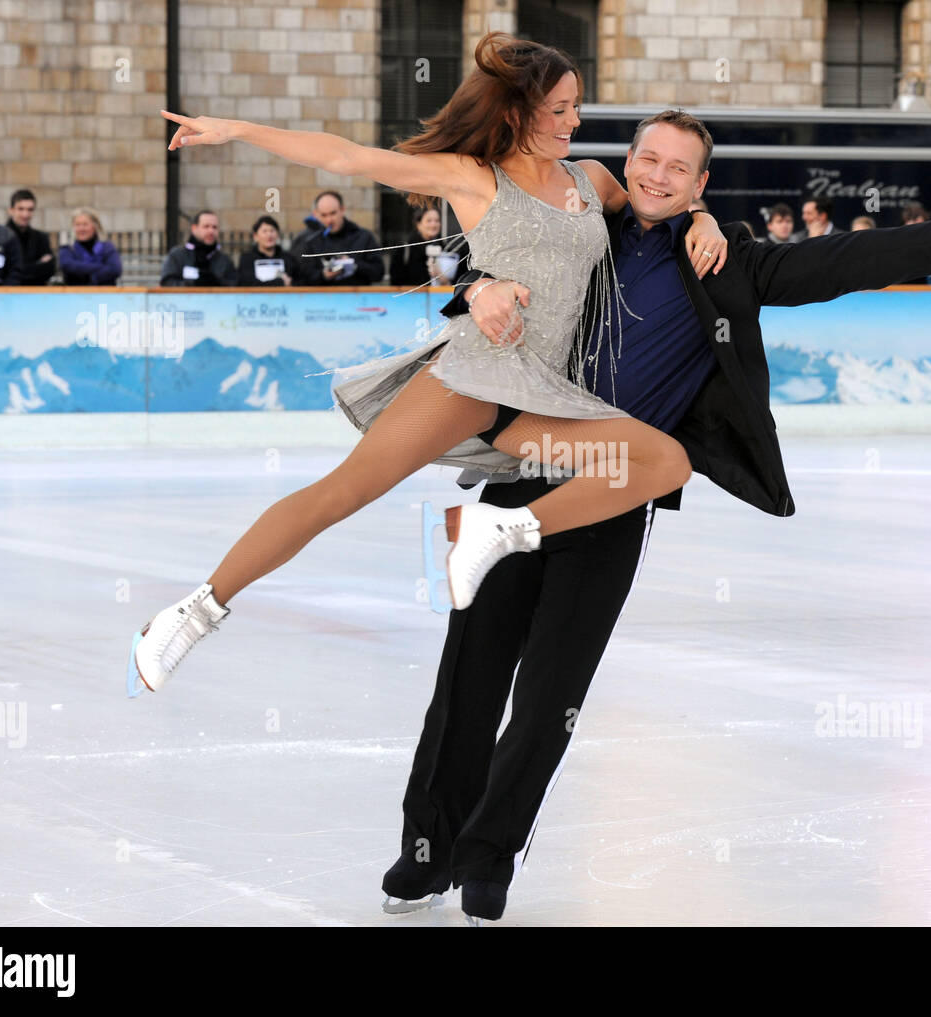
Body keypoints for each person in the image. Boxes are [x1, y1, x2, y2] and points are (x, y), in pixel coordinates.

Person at [380, 110, 931, 923]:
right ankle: (427, 847)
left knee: (552, 688)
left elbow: (836, 261)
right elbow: (478, 275)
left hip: (614, 497)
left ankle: (487, 858)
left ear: (702, 184)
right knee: (470, 676)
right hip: (522, 471)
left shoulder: (725, 264)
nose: (659, 175)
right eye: (648, 159)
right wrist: (474, 289)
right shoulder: (577, 229)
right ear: (628, 165)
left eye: (679, 169)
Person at [127, 36, 731, 920]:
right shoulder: (472, 174)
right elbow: (345, 157)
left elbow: (660, 214)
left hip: (542, 396)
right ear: (520, 110)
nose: (573, 121)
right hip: (472, 377)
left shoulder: (594, 181)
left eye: (576, 108)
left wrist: (707, 221)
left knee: (660, 459)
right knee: (343, 490)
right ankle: (194, 609)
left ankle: (502, 529)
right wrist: (236, 130)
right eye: (559, 108)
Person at [295, 191, 386, 286]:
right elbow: (302, 278)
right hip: (324, 298)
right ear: (316, 215)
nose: (329, 220)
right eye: (324, 215)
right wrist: (323, 275)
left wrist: (354, 265)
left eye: (333, 213)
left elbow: (378, 273)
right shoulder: (311, 242)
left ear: (342, 210)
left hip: (357, 297)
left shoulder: (364, 237)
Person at [387, 205, 469, 287]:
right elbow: (395, 282)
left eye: (437, 221)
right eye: (429, 221)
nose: (433, 225)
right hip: (412, 298)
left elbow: (459, 281)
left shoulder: (448, 250)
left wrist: (442, 278)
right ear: (418, 224)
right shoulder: (404, 250)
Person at [160, 210, 237, 286]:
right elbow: (167, 283)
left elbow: (235, 285)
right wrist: (193, 284)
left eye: (215, 227)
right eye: (206, 226)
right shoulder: (178, 255)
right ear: (194, 228)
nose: (211, 231)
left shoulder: (224, 260)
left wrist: (216, 283)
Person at [58, 207, 123, 286]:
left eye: (85, 224)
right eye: (77, 225)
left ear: (95, 226)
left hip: (104, 294)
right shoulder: (68, 248)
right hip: (75, 293)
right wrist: (100, 267)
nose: (81, 229)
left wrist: (83, 272)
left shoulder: (107, 247)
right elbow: (67, 266)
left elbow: (115, 269)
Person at [6, 189, 56, 286]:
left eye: (30, 209)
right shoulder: (0, 237)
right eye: (21, 209)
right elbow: (3, 273)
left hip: (36, 296)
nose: (25, 214)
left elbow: (49, 270)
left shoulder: (41, 238)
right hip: (7, 295)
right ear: (11, 210)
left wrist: (19, 269)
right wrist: (38, 265)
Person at [235, 214, 302, 286]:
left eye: (272, 231)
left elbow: (300, 281)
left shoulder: (288, 259)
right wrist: (280, 283)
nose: (269, 235)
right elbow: (249, 284)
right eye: (265, 231)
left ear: (277, 234)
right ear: (256, 236)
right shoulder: (247, 259)